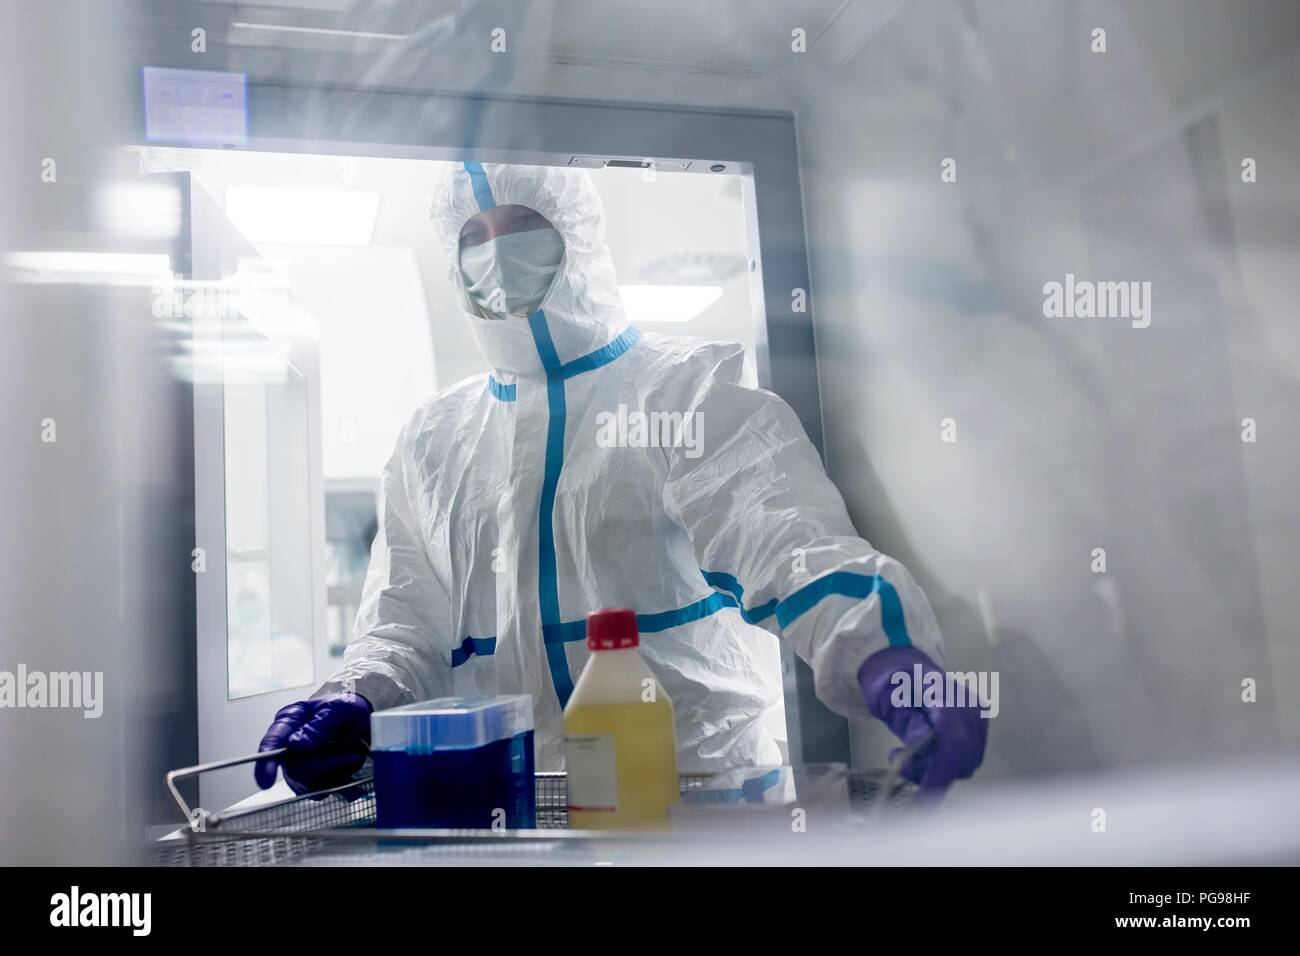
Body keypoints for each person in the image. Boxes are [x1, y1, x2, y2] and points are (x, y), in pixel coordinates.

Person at [255, 162, 986, 797]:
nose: (497, 249)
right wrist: (357, 696)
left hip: (700, 803)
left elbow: (783, 538)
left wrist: (888, 657)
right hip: (514, 812)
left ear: (576, 230)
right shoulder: (433, 441)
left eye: (520, 223)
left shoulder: (682, 392)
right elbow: (405, 620)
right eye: (473, 236)